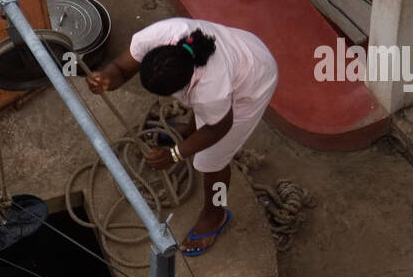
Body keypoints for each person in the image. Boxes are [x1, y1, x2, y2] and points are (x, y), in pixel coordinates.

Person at [88, 17, 278, 256]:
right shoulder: (158, 35)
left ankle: (215, 214)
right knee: (202, 120)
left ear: (187, 85)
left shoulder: (211, 90)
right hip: (243, 48)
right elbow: (121, 69)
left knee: (212, 162)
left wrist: (175, 155)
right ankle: (189, 131)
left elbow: (220, 127)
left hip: (253, 82)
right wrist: (106, 78)